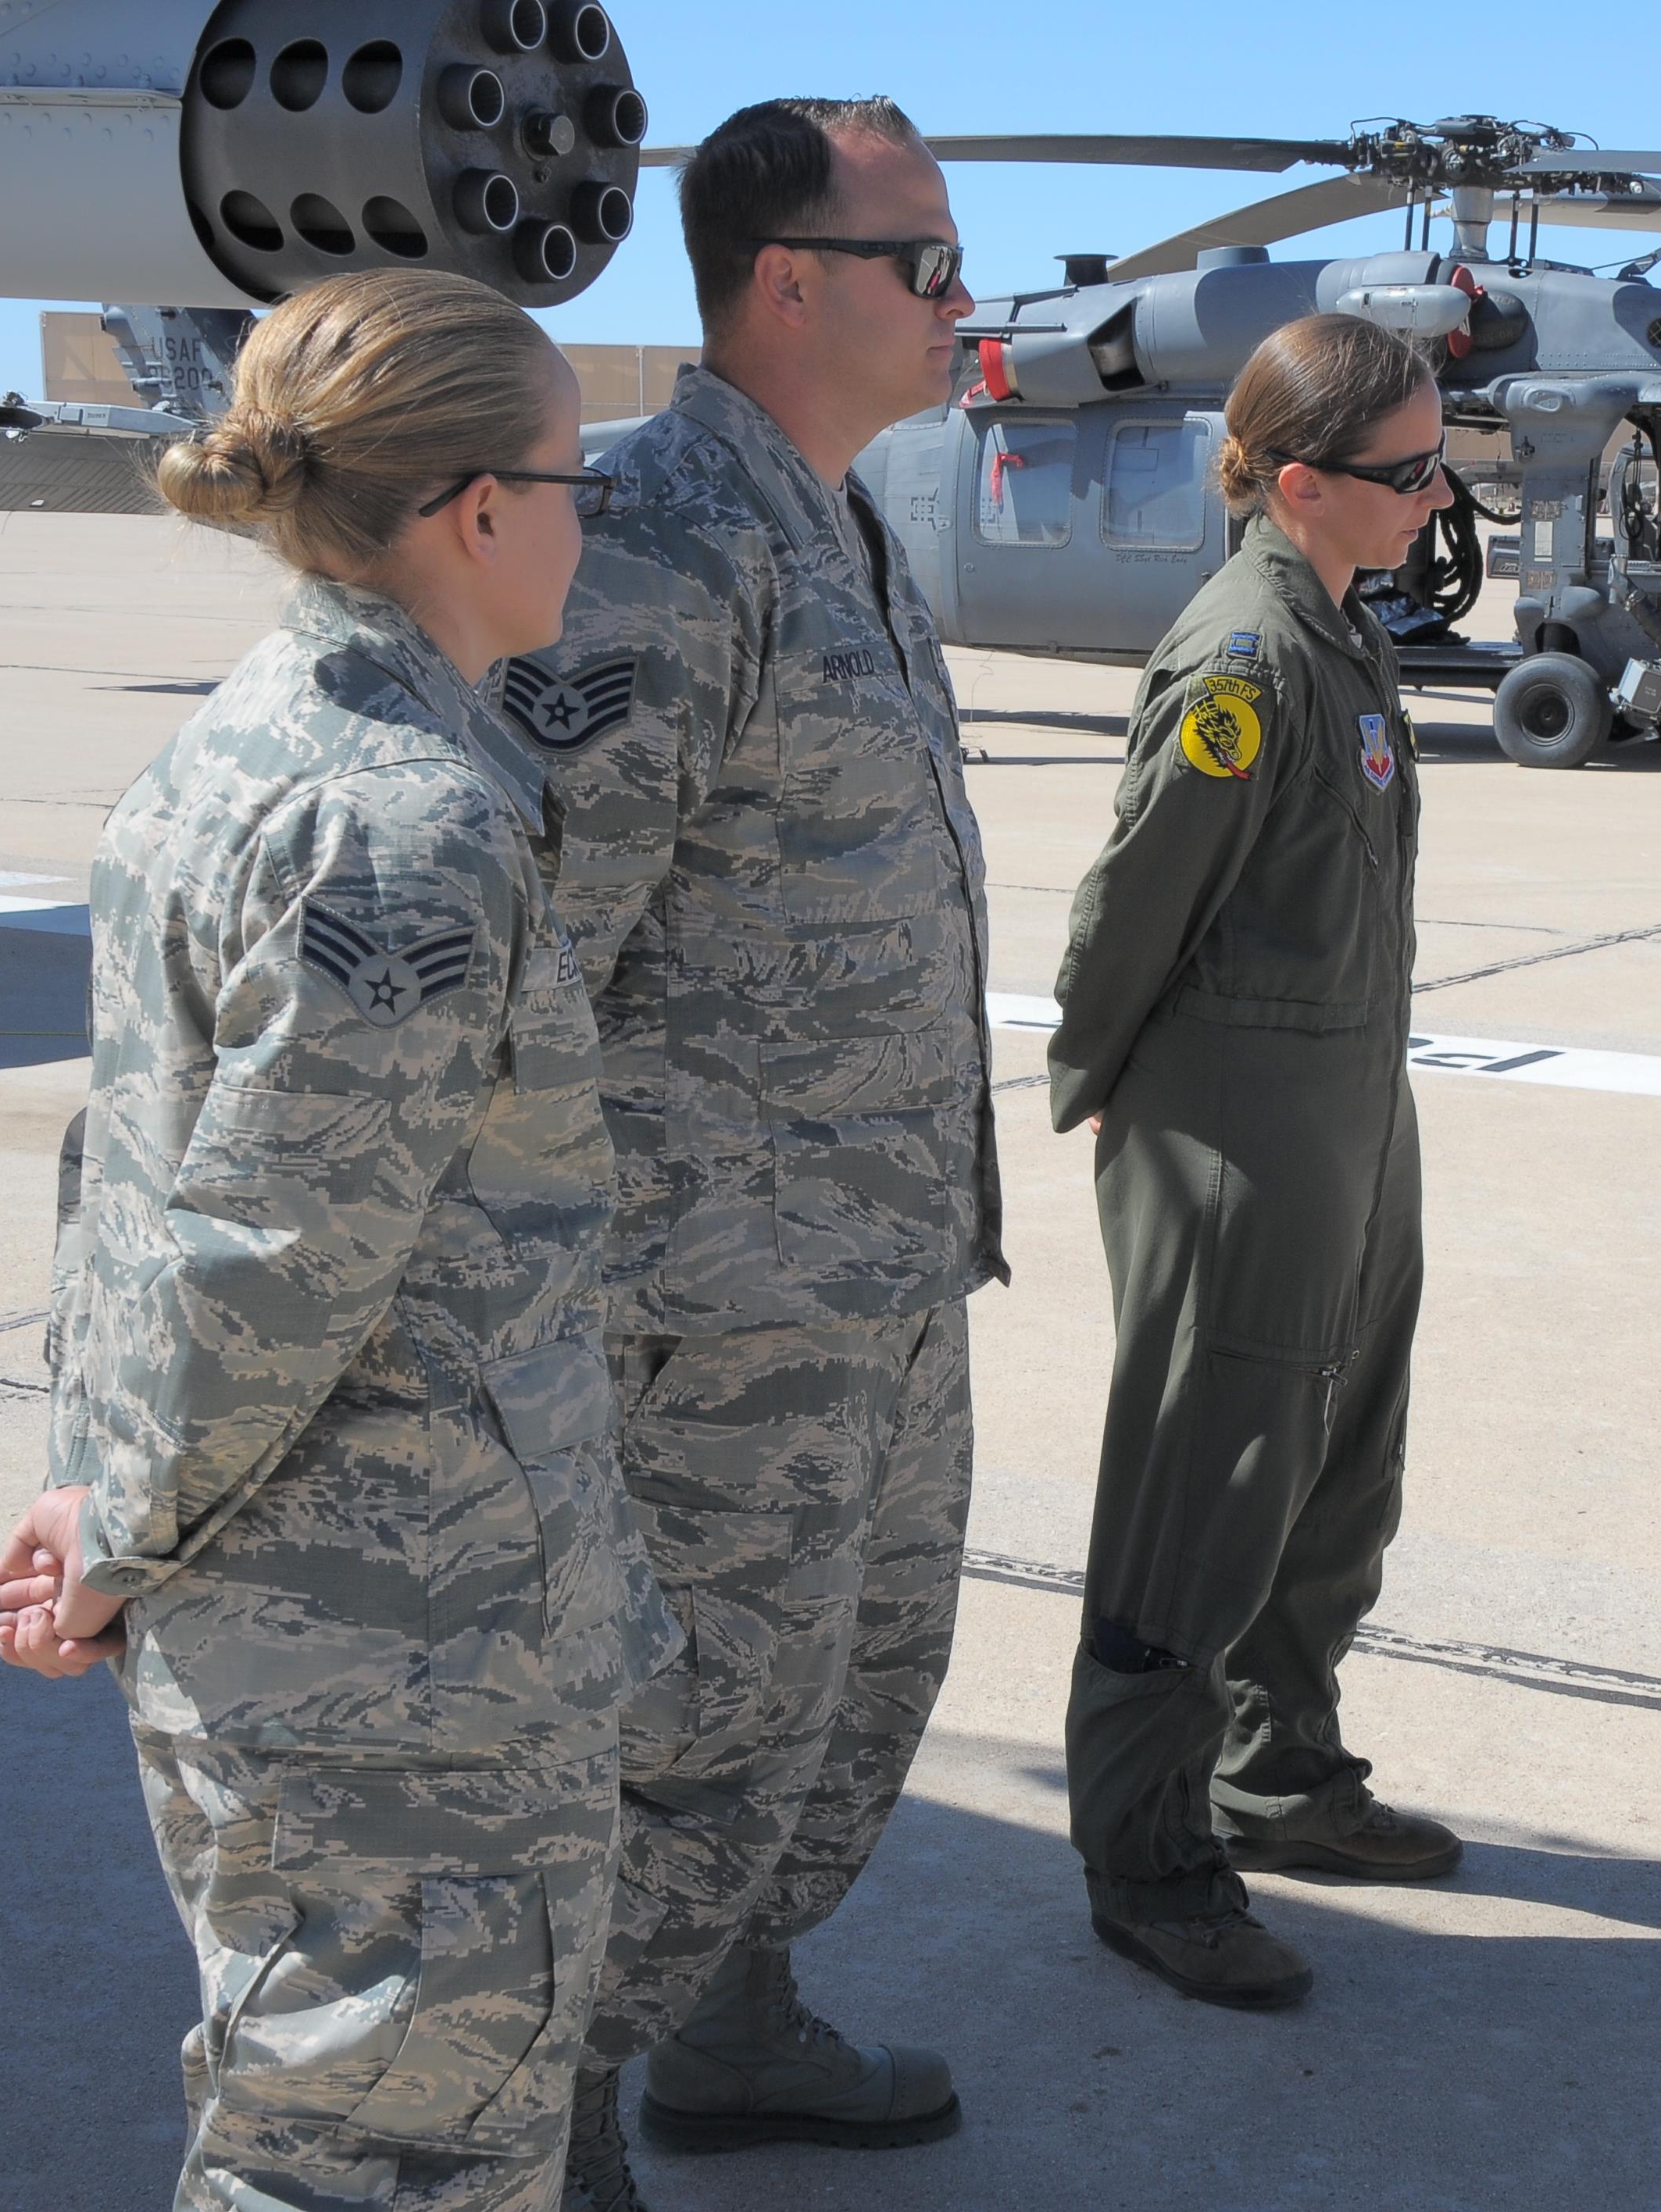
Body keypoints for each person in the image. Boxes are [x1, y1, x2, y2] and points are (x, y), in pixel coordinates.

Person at [0, 269, 675, 2212]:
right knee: (379, 2162)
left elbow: (135, 1189)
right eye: (571, 472)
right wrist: (109, 1525)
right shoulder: (402, 818)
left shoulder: (250, 748)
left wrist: (91, 1488)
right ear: (475, 510)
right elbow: (269, 1255)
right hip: (400, 1663)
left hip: (290, 1629)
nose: (588, 515)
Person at [500, 98, 997, 2200]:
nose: (966, 304)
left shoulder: (849, 524)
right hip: (711, 1312)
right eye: (930, 264)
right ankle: (561, 2110)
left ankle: (733, 2022)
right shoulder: (657, 545)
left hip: (879, 1282)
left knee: (850, 1706)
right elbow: (534, 962)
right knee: (677, 1745)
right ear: (789, 283)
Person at [1047, 312, 1460, 2010]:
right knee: (1199, 1492)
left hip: (1347, 1111)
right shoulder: (1245, 662)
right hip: (1237, 1129)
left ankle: (1276, 1771)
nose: (1441, 495)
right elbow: (1138, 902)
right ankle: (1146, 1857)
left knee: (1336, 1467)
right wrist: (1092, 1082)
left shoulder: (1341, 631)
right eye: (1410, 470)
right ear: (1302, 481)